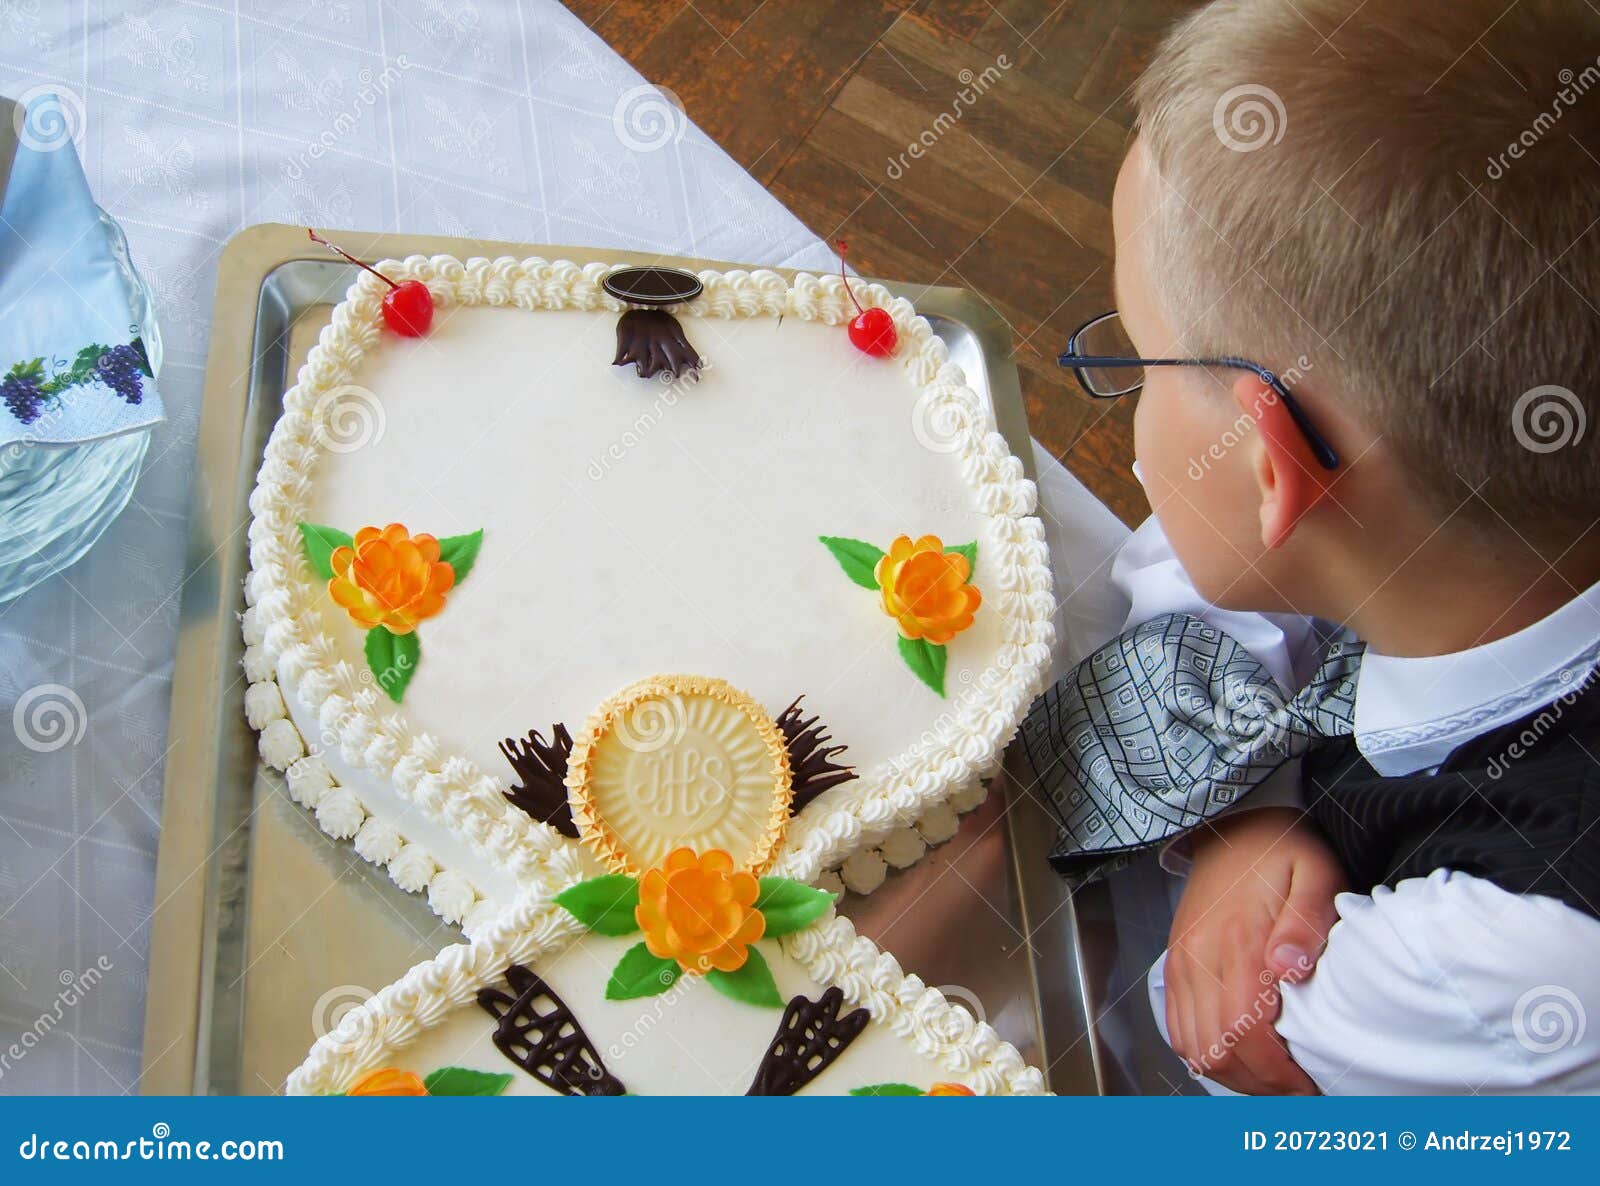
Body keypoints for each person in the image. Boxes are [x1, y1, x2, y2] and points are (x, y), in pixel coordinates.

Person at [1033, 0, 1600, 1094]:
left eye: (1138, 362)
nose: (1127, 407)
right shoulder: (1490, 495)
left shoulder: (1504, 962)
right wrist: (1241, 809)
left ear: (1264, 464)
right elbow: (1212, 570)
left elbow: (1208, 1038)